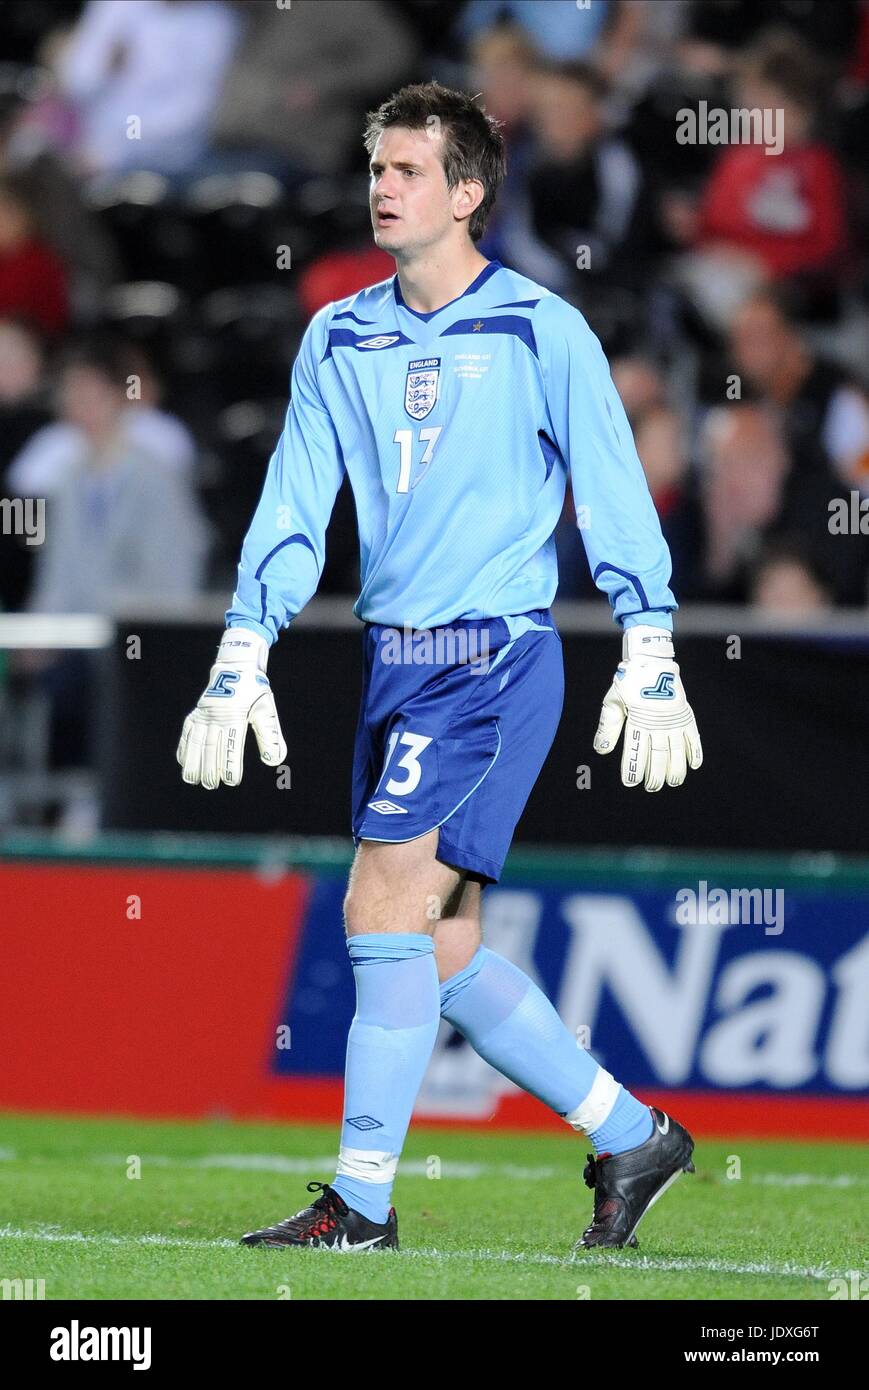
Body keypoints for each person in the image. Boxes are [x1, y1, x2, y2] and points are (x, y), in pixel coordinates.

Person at [177, 82, 702, 1254]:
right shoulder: (338, 334)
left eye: (409, 170)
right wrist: (243, 647)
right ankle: (627, 1134)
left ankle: (359, 1205)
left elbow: (611, 485)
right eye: (378, 167)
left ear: (466, 193)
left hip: (491, 663)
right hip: (392, 664)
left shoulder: (538, 325)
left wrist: (649, 637)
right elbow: (293, 502)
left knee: (379, 904)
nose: (383, 186)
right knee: (444, 949)